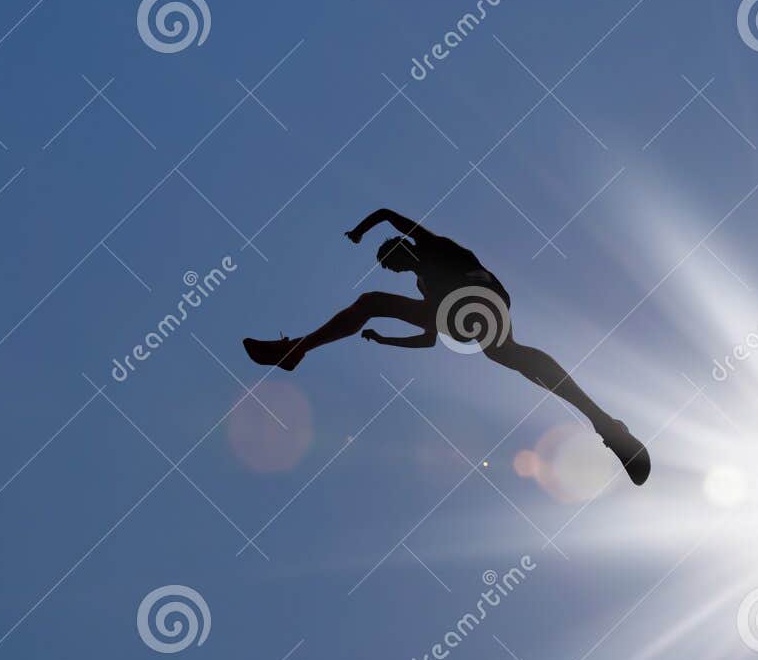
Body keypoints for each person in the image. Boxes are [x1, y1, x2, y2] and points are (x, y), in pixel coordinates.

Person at [242, 208, 650, 485]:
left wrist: (361, 230)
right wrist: (385, 338)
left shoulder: (433, 246)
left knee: (510, 352)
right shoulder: (423, 286)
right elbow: (427, 338)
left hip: (481, 296)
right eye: (389, 266)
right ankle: (297, 350)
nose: (394, 267)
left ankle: (606, 424)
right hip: (457, 315)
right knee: (376, 306)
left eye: (393, 258)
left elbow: (387, 213)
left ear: (404, 247)